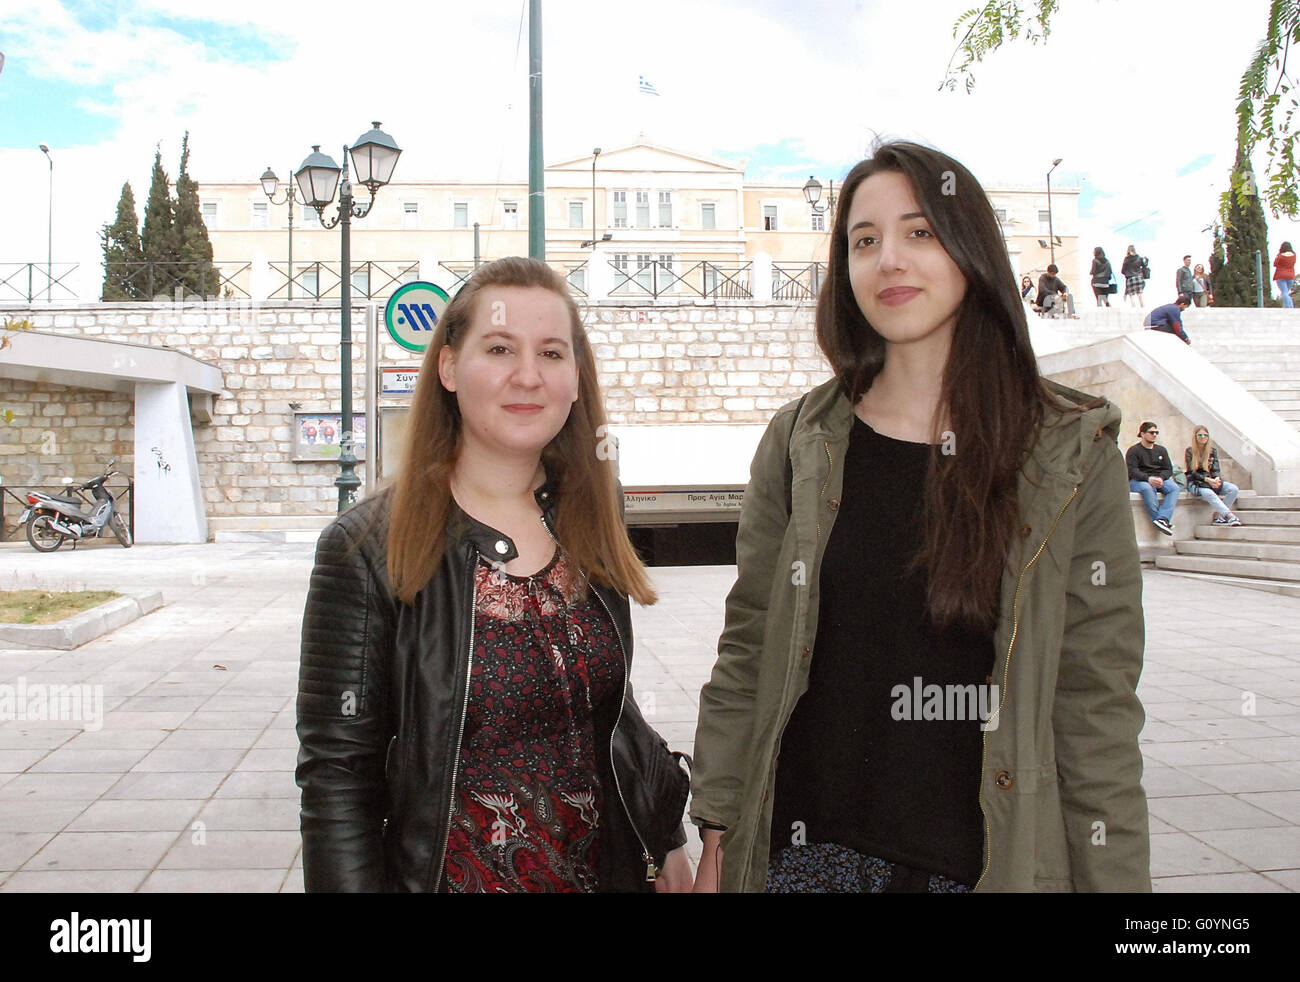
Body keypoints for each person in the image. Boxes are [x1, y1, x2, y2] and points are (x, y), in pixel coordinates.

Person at [689, 140, 1149, 894]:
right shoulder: (800, 442)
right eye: (863, 241)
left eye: (919, 233)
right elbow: (747, 650)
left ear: (971, 250)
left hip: (982, 871)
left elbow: (1095, 708)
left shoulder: (1070, 451)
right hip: (807, 863)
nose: (888, 261)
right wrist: (717, 826)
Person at [296, 257, 692, 893]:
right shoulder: (365, 547)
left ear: (576, 377)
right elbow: (337, 776)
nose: (528, 376)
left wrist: (664, 831)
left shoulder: (592, 511)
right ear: (450, 367)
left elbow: (601, 704)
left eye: (553, 353)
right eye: (501, 347)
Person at [1127, 421, 1179, 535]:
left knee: (1174, 488)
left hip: (1159, 478)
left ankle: (1162, 518)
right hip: (1139, 481)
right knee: (1146, 488)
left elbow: (1168, 469)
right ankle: (1160, 520)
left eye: (1156, 432)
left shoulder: (1161, 450)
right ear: (1142, 434)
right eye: (1151, 432)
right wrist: (1148, 479)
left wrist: (1161, 478)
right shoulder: (1134, 451)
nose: (1154, 435)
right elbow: (1132, 471)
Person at [1185, 425, 1242, 525]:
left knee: (1233, 489)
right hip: (1197, 483)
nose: (1203, 437)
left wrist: (1216, 479)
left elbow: (1216, 469)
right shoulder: (1190, 451)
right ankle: (1229, 516)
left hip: (1211, 482)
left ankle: (1220, 517)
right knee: (1209, 493)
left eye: (1205, 435)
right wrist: (1207, 480)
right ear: (1195, 437)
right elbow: (1192, 472)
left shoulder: (1212, 451)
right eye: (1200, 435)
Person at [1275, 241, 1296, 308]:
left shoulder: (1280, 256)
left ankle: (1290, 306)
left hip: (1280, 275)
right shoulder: (1294, 255)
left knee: (1284, 292)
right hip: (1290, 276)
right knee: (1286, 292)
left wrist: (1278, 255)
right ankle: (1287, 306)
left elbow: (1275, 264)